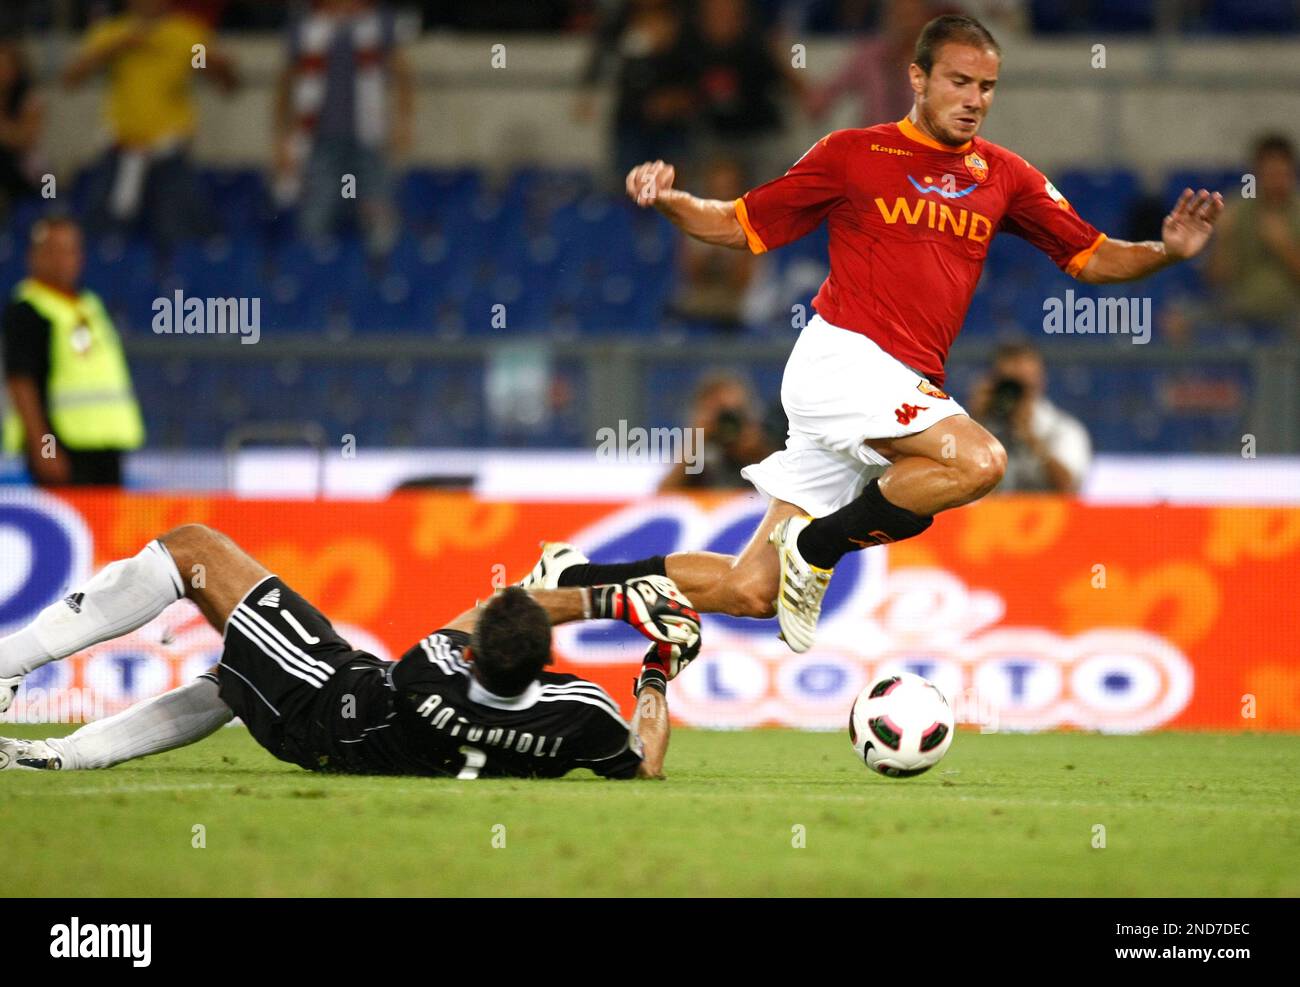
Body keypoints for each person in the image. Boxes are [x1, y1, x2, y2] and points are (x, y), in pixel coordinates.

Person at [617, 14, 1222, 652]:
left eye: (987, 87)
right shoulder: (853, 153)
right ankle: (816, 548)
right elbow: (737, 222)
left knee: (752, 589)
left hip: (903, 380)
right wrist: (670, 197)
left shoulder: (1005, 176)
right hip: (845, 357)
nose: (974, 100)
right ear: (918, 77)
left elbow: (1093, 257)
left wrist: (1167, 251)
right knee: (980, 461)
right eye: (959, 82)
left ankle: (567, 586)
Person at [0, 524, 701, 780]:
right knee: (228, 682)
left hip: (325, 696)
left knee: (193, 551)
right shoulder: (582, 715)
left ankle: (9, 662)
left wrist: (608, 596)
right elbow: (648, 761)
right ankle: (66, 756)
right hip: (339, 744)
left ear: (476, 655)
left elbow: (483, 616)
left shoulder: (433, 668)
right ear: (542, 663)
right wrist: (655, 672)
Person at [63, 0, 238, 247]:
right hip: (120, 152)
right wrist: (116, 47)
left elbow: (228, 85)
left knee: (185, 240)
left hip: (169, 156)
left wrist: (216, 65)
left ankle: (178, 286)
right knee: (99, 241)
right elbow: (70, 79)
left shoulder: (186, 33)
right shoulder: (112, 31)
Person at [2, 217, 145, 486]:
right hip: (64, 449)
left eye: (71, 250)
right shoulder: (28, 309)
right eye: (55, 251)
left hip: (104, 444)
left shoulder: (88, 303)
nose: (64, 260)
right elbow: (22, 382)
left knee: (105, 526)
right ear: (35, 257)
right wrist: (44, 448)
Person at [272, 0, 414, 256]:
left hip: (369, 141)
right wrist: (282, 139)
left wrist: (403, 124)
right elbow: (287, 84)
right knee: (315, 218)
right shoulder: (304, 24)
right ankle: (316, 278)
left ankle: (380, 277)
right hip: (318, 143)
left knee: (379, 220)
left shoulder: (379, 21)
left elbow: (402, 74)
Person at [1206, 133, 1300, 337]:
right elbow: (1217, 280)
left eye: (1282, 174)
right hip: (1241, 312)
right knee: (1181, 319)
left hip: (1291, 315)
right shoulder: (1237, 211)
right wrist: (1223, 239)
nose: (1276, 182)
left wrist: (1283, 246)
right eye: (1269, 175)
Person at [968, 341, 1091, 493]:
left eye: (1023, 387)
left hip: (1046, 515)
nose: (1016, 396)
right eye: (1009, 386)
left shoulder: (1064, 429)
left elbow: (1070, 488)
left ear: (1041, 380)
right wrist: (973, 421)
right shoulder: (983, 429)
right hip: (989, 514)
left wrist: (1031, 438)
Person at [659, 371, 778, 490]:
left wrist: (757, 453)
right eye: (717, 415)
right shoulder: (698, 452)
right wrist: (695, 445)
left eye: (732, 414)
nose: (724, 424)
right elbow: (666, 498)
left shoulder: (762, 447)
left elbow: (783, 488)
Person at [0, 39, 43, 221]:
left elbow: (25, 141)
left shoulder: (31, 99)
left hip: (28, 170)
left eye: (5, 66)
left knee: (50, 186)